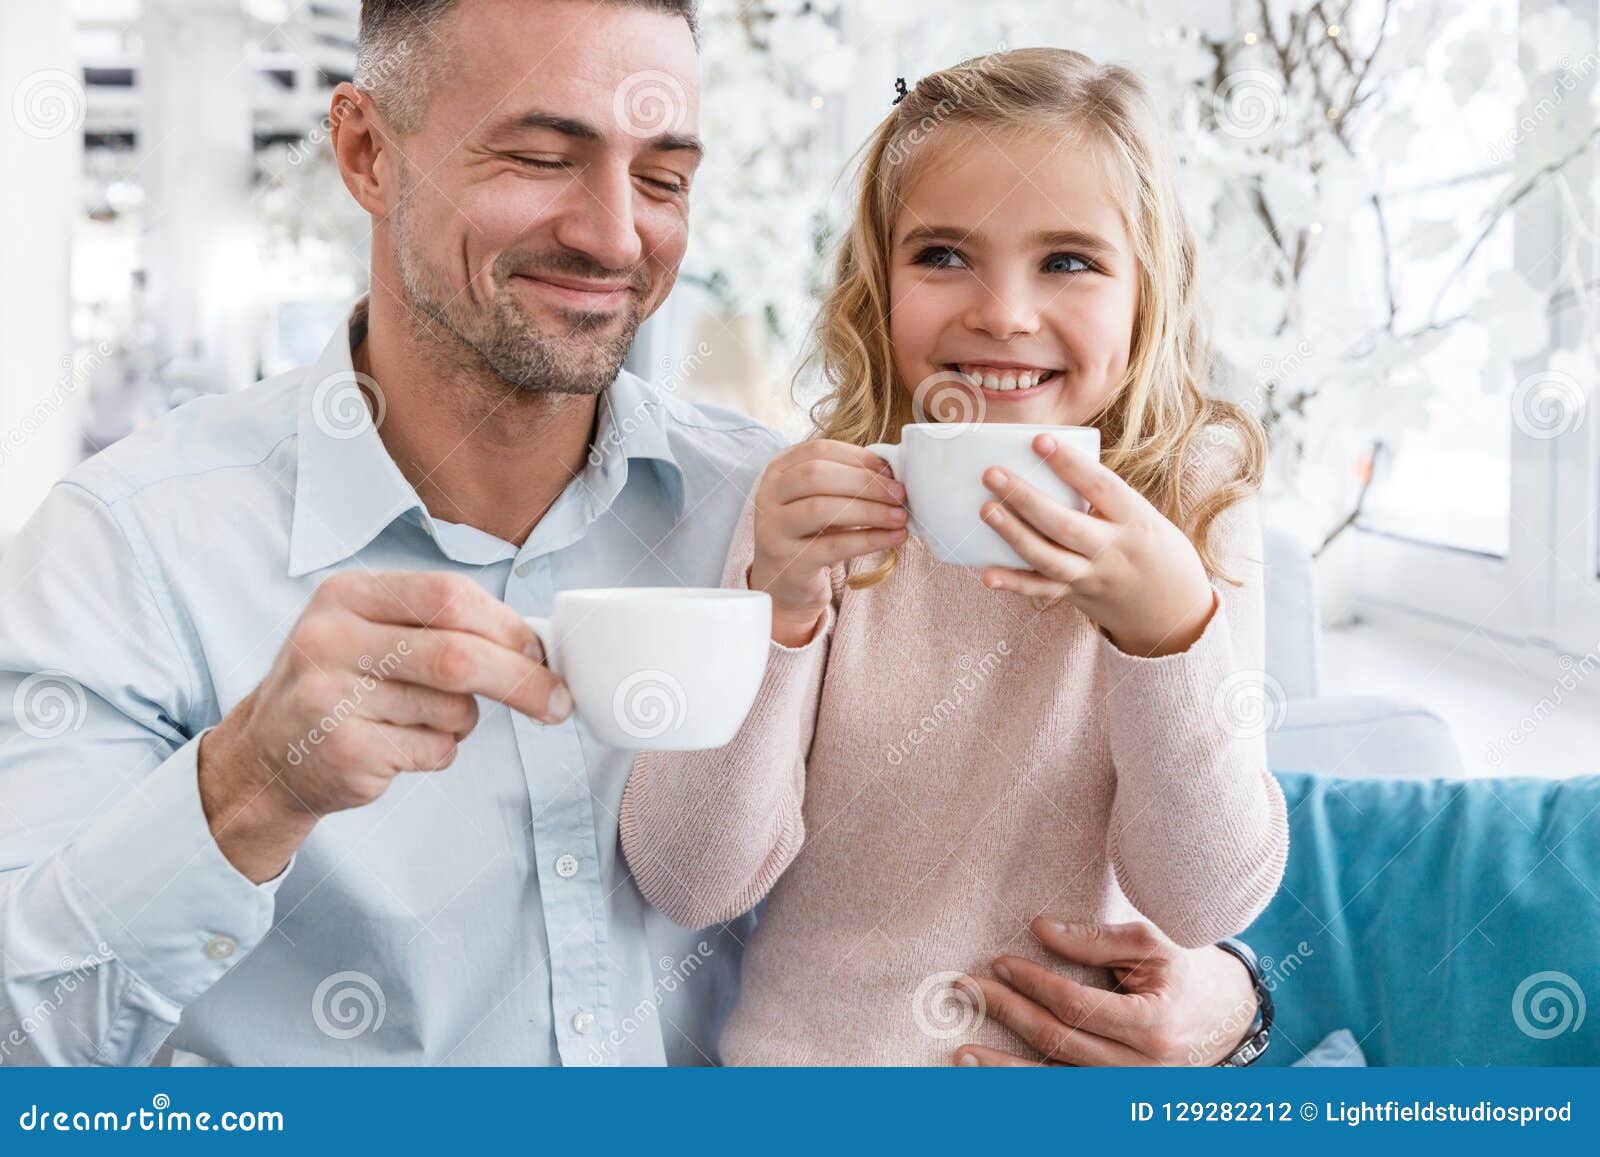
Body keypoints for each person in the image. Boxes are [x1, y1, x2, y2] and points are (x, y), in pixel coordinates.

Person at [0, 1, 1267, 1067]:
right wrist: (246, 795)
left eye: (661, 178)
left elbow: (1157, 843)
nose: (615, 235)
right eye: (542, 157)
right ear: (368, 151)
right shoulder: (132, 548)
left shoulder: (774, 498)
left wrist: (1235, 1001)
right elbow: (23, 1036)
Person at [621, 48, 1288, 1065]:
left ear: (1146, 291)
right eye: (941, 255)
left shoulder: (1195, 514)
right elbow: (690, 876)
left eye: (1067, 260)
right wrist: (778, 606)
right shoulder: (814, 511)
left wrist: (1166, 630)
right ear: (877, 283)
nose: (1002, 312)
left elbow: (1202, 898)